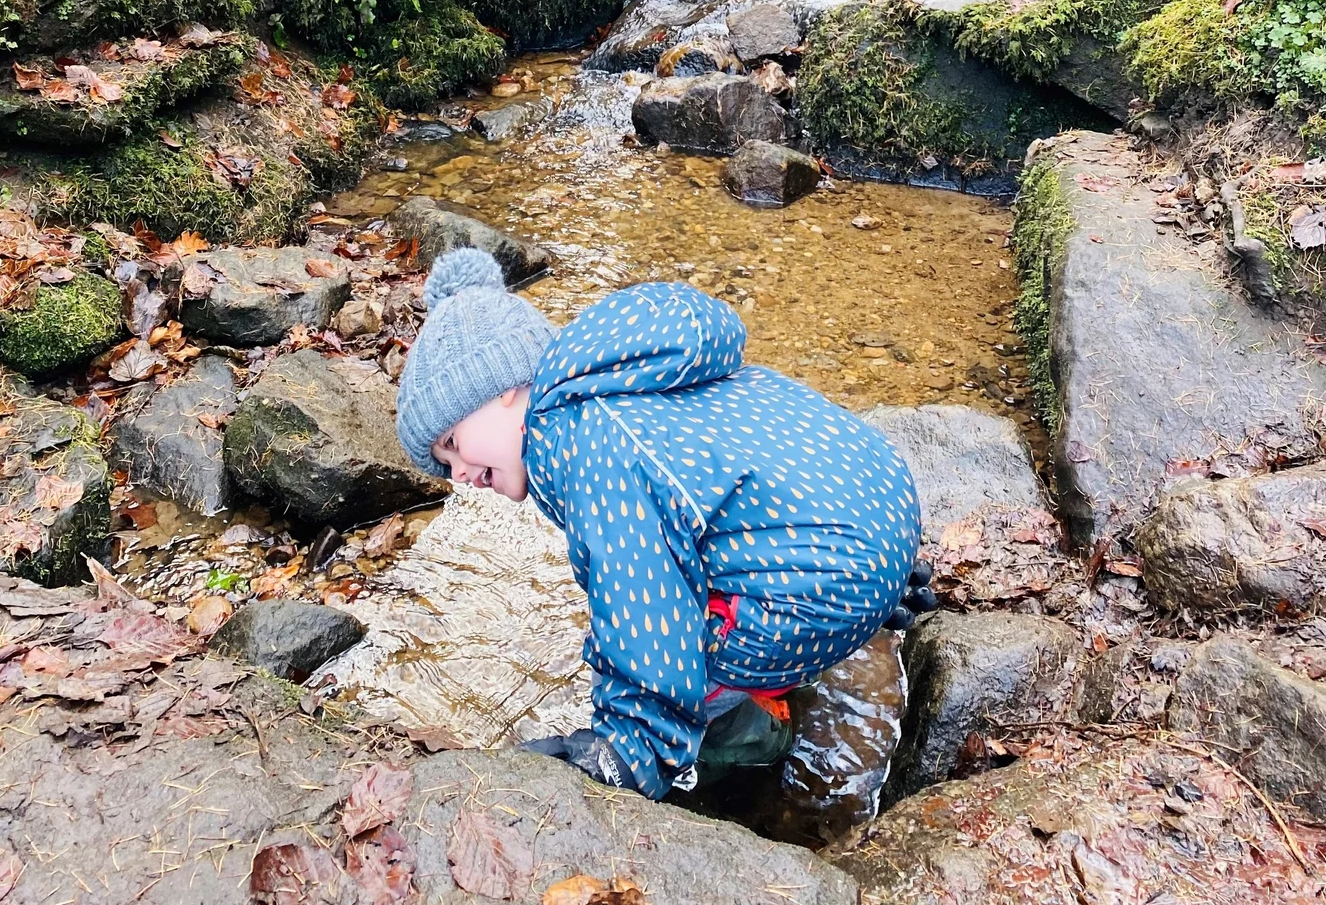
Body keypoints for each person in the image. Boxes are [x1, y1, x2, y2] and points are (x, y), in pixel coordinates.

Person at [395, 246, 932, 800]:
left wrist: (625, 751)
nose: (458, 474)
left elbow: (645, 604)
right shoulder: (619, 374)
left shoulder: (581, 443)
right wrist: (875, 564)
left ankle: (748, 742)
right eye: (445, 465)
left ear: (504, 388)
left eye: (453, 444)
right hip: (876, 509)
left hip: (825, 586)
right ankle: (856, 610)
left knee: (669, 654)